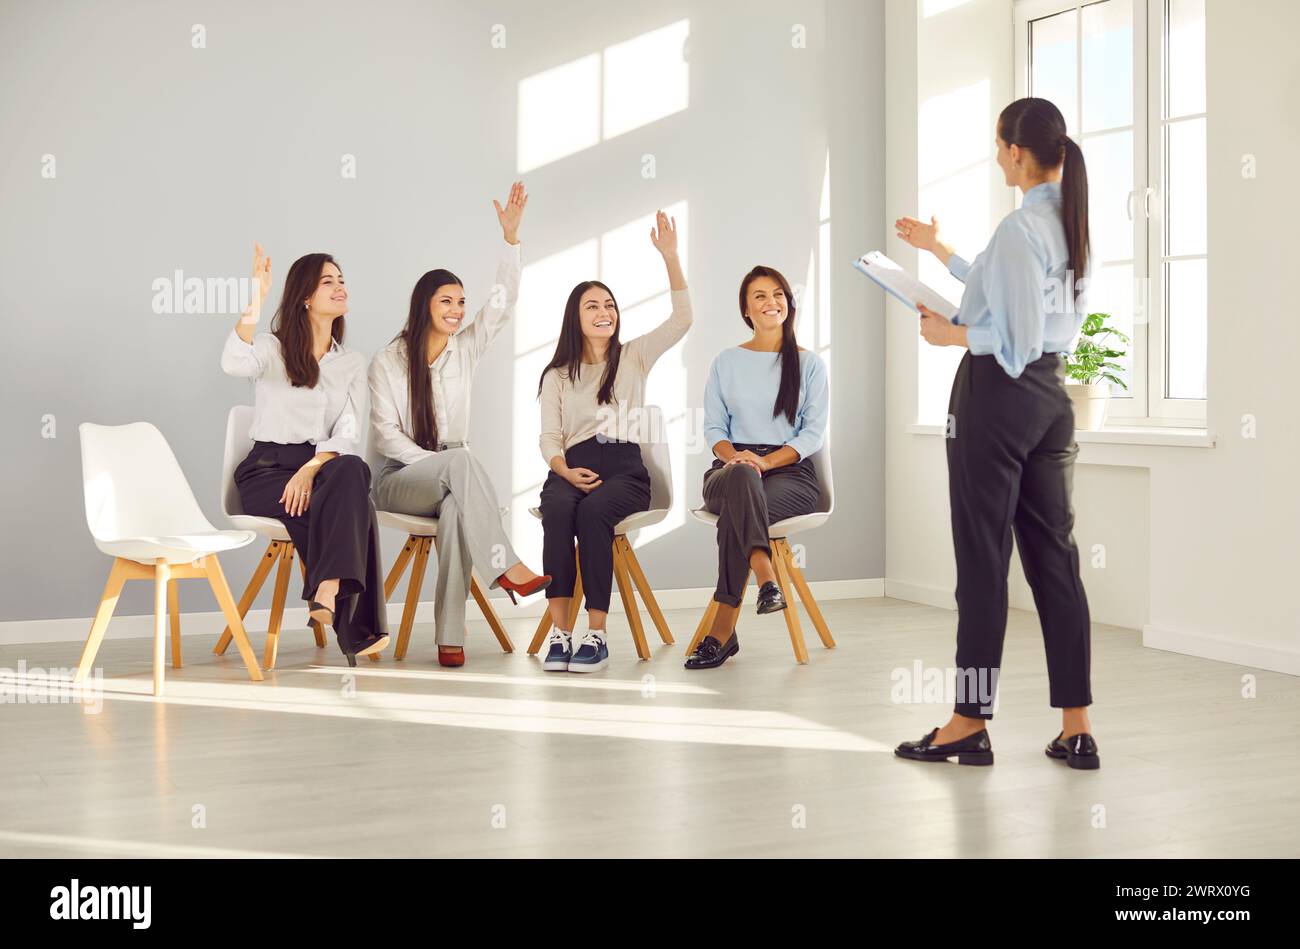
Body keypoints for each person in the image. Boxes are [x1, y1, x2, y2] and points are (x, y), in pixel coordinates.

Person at [893, 97, 1098, 769]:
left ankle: (966, 721)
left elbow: (1006, 339)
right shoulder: (1071, 221)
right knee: (1056, 561)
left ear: (1015, 151)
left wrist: (945, 332)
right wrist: (938, 249)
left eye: (997, 144)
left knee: (983, 560)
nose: (996, 155)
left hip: (998, 398)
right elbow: (1008, 293)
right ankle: (1076, 725)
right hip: (1052, 400)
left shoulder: (1019, 228)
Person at [368, 182, 548, 667]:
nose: (457, 311)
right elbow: (385, 436)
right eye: (447, 301)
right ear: (425, 304)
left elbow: (503, 304)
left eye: (462, 302)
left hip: (452, 480)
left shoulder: (465, 348)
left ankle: (450, 637)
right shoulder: (388, 361)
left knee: (454, 511)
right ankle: (506, 567)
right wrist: (442, 464)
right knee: (459, 465)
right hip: (397, 479)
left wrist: (511, 241)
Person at [536, 210, 691, 673]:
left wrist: (670, 257)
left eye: (610, 305)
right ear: (575, 318)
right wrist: (562, 469)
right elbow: (549, 437)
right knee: (561, 508)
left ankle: (597, 633)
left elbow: (683, 319)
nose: (604, 313)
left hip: (625, 468)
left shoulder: (636, 355)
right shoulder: (558, 375)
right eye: (592, 306)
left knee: (594, 510)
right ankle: (561, 634)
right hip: (573, 464)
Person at [221, 245, 389, 666]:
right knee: (357, 509)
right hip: (265, 473)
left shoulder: (351, 362)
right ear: (305, 297)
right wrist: (257, 297)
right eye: (328, 281)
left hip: (319, 470)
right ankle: (353, 622)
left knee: (353, 469)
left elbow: (347, 431)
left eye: (342, 279)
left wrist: (312, 469)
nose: (340, 287)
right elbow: (232, 361)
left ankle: (327, 588)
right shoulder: (272, 348)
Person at [685, 266, 828, 670]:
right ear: (746, 309)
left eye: (778, 294)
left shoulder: (810, 365)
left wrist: (764, 461)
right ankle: (766, 578)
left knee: (738, 508)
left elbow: (811, 436)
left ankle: (722, 632)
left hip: (789, 473)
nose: (772, 302)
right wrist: (740, 460)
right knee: (741, 482)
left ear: (789, 302)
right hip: (729, 467)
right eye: (761, 296)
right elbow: (713, 428)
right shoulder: (726, 361)